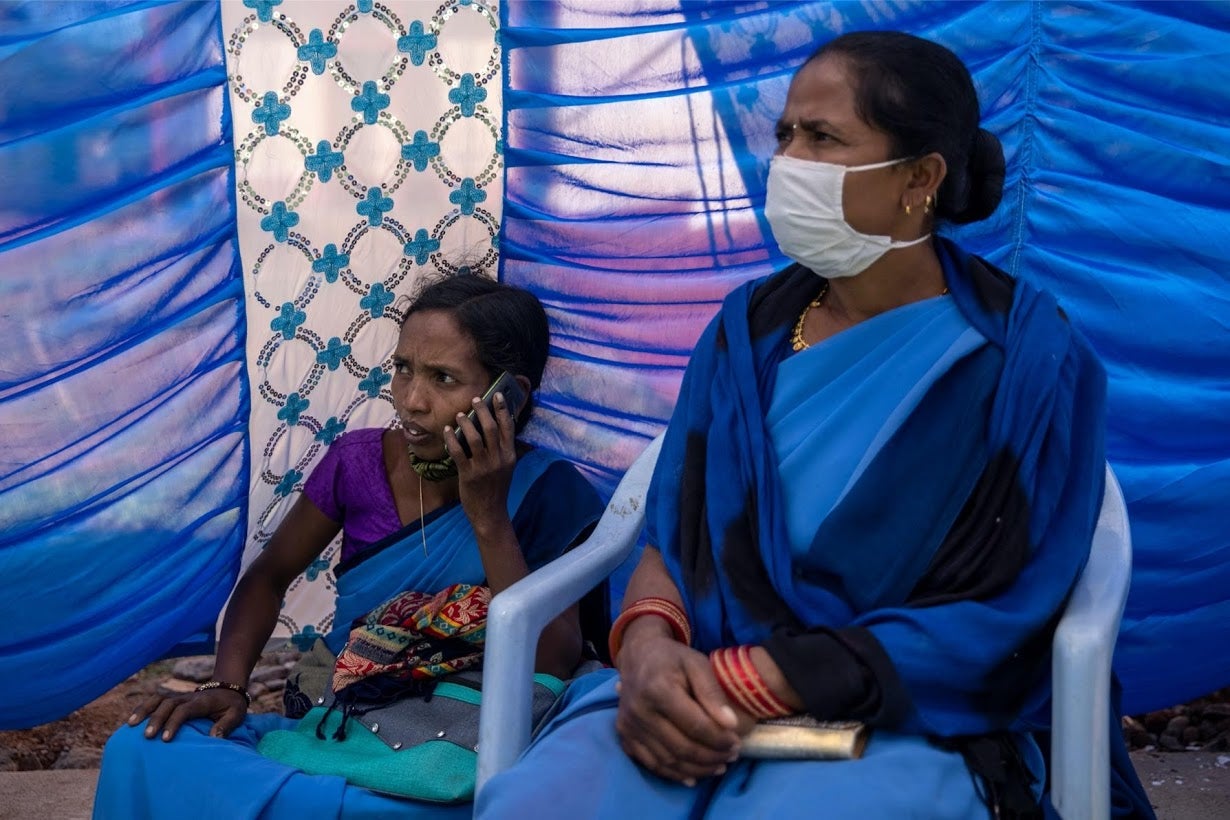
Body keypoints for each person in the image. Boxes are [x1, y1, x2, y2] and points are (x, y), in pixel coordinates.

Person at [475, 31, 1153, 819]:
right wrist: (650, 654)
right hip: (693, 689)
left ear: (920, 178)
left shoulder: (1028, 362)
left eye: (823, 138)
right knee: (540, 800)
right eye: (785, 135)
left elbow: (1003, 609)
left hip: (905, 718)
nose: (788, 162)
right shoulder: (746, 334)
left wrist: (759, 681)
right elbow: (672, 537)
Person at [94, 274, 605, 818]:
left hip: (459, 740)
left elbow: (548, 661)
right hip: (345, 718)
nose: (411, 401)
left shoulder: (550, 492)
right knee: (138, 749)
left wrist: (488, 517)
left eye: (443, 378)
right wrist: (229, 684)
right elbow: (269, 576)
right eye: (403, 368)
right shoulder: (357, 463)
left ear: (508, 395)